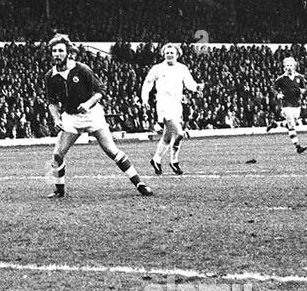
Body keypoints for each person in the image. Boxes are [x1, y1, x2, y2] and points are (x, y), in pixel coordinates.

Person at [45, 34, 152, 198]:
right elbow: (51, 102)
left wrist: (88, 103)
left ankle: (139, 183)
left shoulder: (81, 69)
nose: (57, 54)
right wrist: (56, 119)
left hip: (92, 114)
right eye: (54, 51)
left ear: (68, 52)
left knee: (111, 150)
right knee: (58, 154)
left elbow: (100, 91)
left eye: (60, 50)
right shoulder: (50, 76)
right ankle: (59, 191)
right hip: (71, 118)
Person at [140, 42, 203, 175]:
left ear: (177, 55)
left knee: (167, 137)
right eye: (167, 53)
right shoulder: (157, 68)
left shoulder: (182, 68)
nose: (169, 55)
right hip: (163, 105)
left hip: (176, 105)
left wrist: (197, 87)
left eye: (172, 53)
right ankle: (174, 161)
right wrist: (144, 99)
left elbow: (189, 83)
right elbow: (148, 83)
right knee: (179, 133)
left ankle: (156, 159)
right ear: (163, 54)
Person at [273, 56, 307, 154]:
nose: (289, 67)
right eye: (287, 65)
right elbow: (274, 89)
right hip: (286, 104)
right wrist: (278, 94)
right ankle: (297, 146)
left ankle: (276, 124)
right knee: (292, 125)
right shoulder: (281, 79)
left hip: (297, 104)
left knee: (293, 123)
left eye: (291, 65)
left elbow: (305, 88)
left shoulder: (299, 77)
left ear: (294, 66)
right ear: (284, 67)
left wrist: (302, 91)